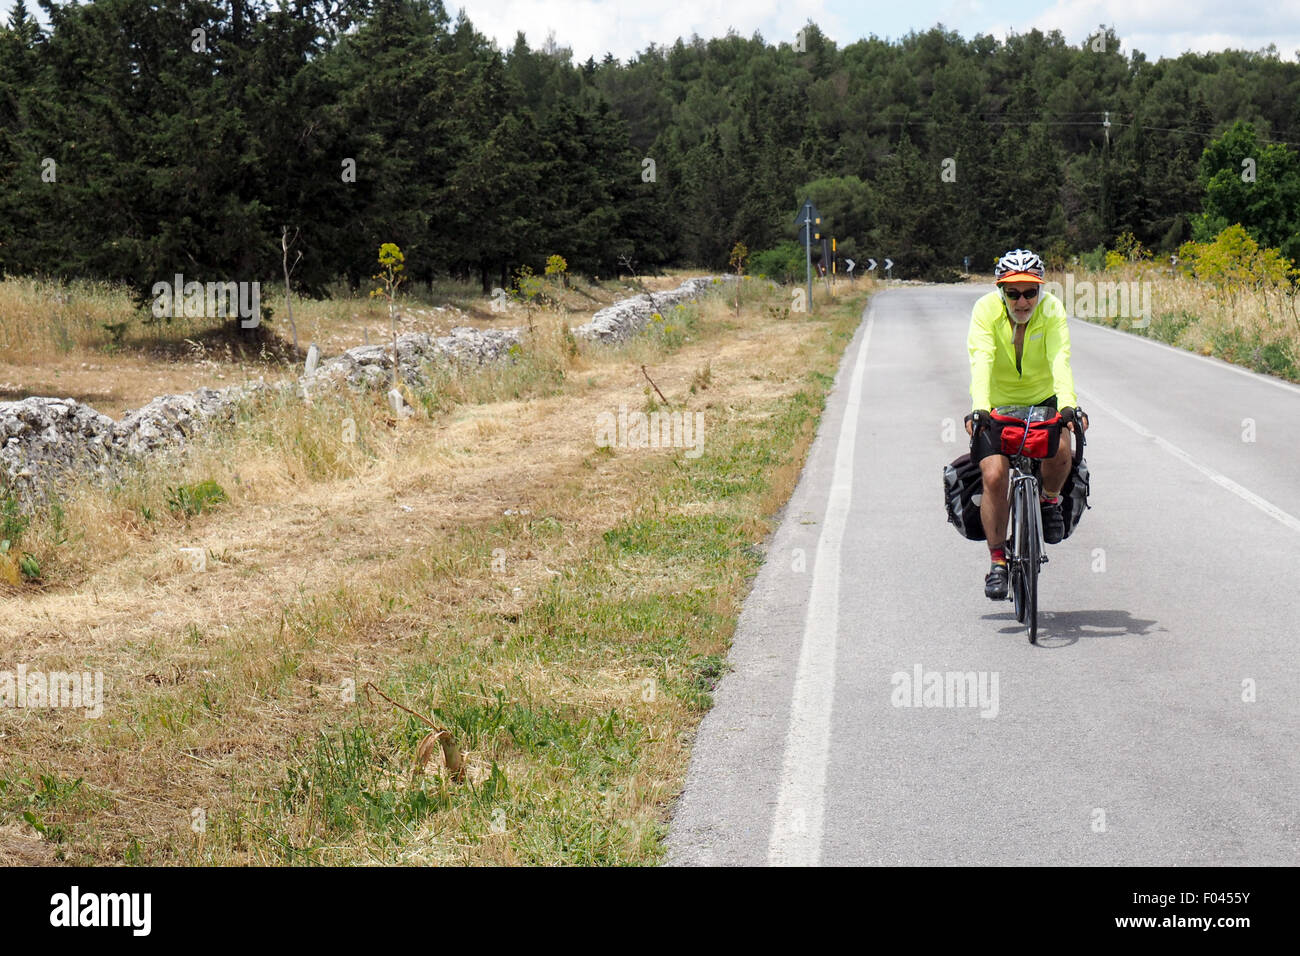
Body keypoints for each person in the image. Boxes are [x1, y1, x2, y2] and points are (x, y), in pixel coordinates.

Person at [964, 249, 1089, 600]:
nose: (1022, 301)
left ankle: (1049, 501)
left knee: (1063, 449)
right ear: (1000, 290)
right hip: (996, 403)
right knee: (993, 475)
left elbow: (1059, 358)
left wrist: (1068, 406)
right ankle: (998, 561)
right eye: (1013, 292)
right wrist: (979, 409)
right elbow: (981, 360)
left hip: (1043, 399)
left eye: (1030, 292)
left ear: (1040, 290)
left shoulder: (1051, 310)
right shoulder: (985, 311)